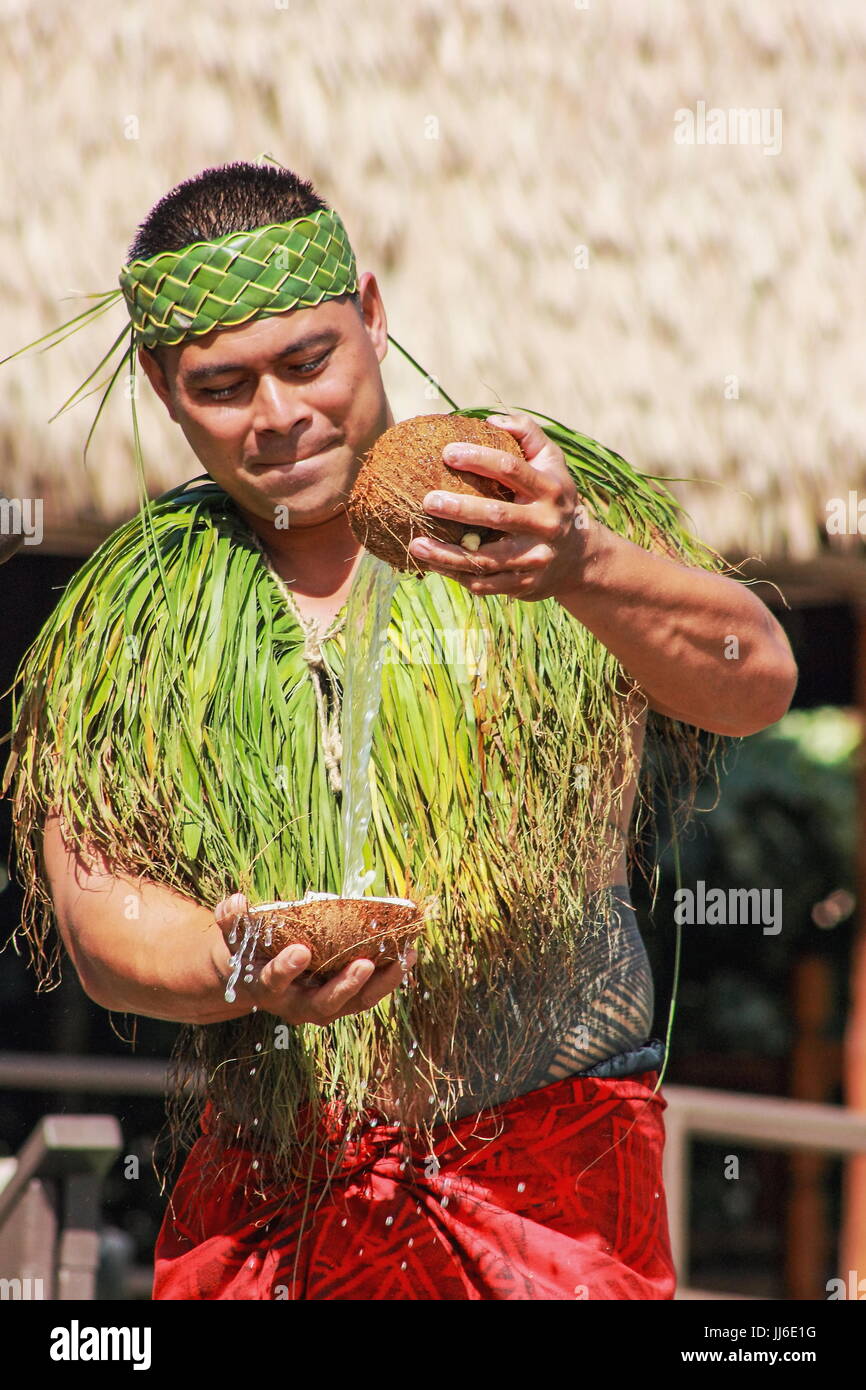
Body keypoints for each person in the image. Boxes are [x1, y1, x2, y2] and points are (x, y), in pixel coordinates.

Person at [3, 161, 798, 1301]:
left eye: (306, 361)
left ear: (370, 315)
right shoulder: (136, 618)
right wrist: (240, 968)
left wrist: (583, 565)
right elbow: (93, 913)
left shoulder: (521, 503)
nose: (277, 417)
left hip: (553, 1190)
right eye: (223, 385)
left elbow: (755, 677)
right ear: (159, 386)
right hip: (273, 1191)